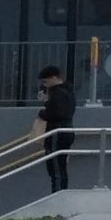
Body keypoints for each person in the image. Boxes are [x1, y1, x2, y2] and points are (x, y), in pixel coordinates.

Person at [38, 65, 78, 193]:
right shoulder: (69, 91)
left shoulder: (57, 93)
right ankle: (61, 194)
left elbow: (57, 113)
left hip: (57, 131)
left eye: (45, 81)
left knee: (55, 169)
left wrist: (42, 113)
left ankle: (58, 196)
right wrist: (46, 102)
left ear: (53, 78)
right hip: (66, 130)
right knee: (60, 167)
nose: (45, 85)